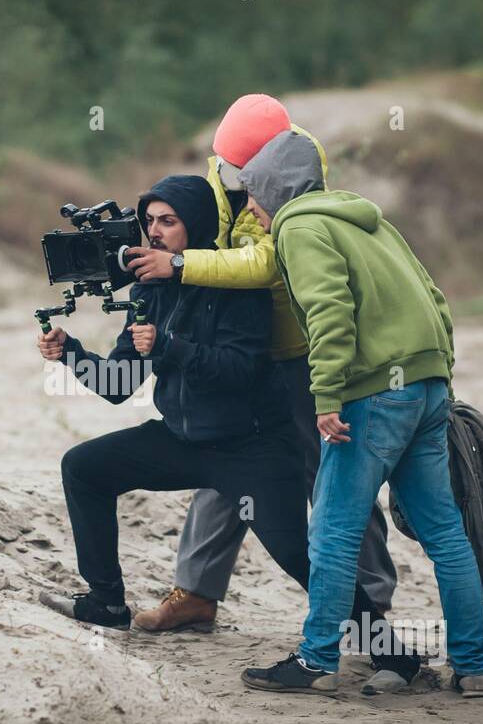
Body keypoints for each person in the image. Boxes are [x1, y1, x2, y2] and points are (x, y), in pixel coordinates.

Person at [36, 176, 418, 684]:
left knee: (297, 555)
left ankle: (393, 654)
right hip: (182, 441)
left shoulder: (238, 283)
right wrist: (72, 353)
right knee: (83, 467)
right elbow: (118, 383)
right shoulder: (151, 291)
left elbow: (241, 369)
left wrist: (169, 347)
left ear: (194, 224)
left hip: (252, 447)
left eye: (167, 221)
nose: (154, 232)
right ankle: (106, 602)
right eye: (149, 221)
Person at [123, 94, 413, 693]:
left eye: (240, 170)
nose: (231, 179)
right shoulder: (224, 162)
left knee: (334, 476)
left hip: (302, 354)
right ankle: (197, 593)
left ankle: (372, 609)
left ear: (269, 159)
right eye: (224, 165)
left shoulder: (293, 174)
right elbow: (207, 227)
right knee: (222, 460)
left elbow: (262, 262)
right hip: (241, 347)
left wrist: (180, 268)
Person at [234, 129, 483, 698]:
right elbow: (434, 296)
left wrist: (325, 398)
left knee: (331, 531)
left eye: (253, 192)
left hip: (372, 395)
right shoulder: (368, 220)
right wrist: (441, 374)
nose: (249, 206)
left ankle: (317, 662)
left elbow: (330, 313)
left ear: (276, 188)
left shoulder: (299, 227)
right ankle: (471, 667)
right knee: (445, 532)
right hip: (425, 387)